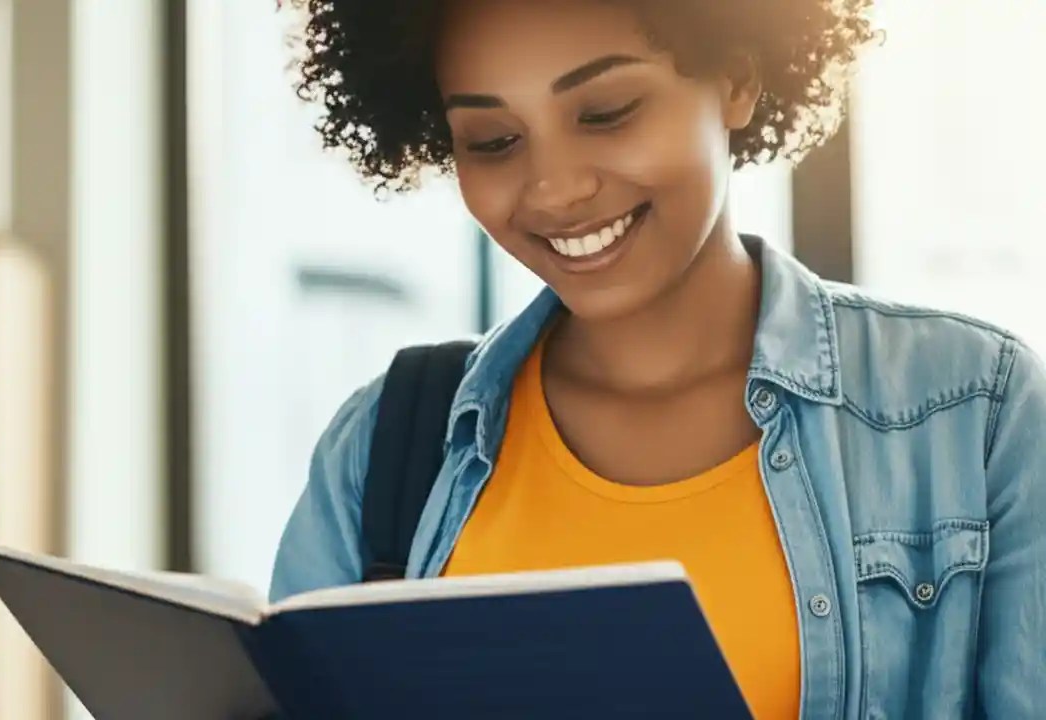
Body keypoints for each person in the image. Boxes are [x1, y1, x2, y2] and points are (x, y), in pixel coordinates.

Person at [269, 0, 1046, 717]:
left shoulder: (974, 411)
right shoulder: (384, 447)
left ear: (736, 79)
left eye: (606, 113)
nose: (557, 188)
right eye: (494, 141)